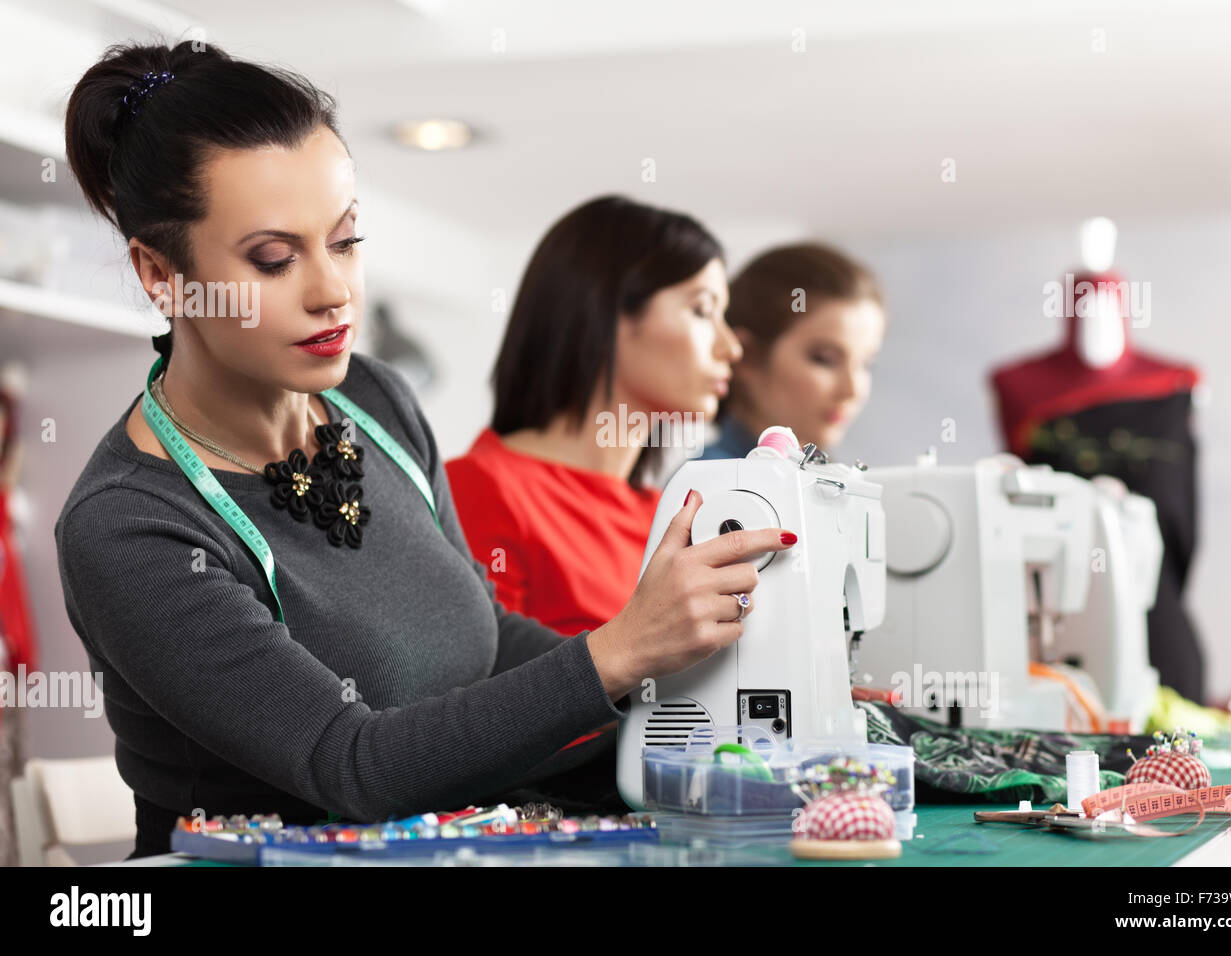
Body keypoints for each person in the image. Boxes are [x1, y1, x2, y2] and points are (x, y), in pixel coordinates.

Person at [53, 41, 793, 858]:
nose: (331, 290)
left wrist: (684, 700)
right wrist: (619, 653)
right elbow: (355, 767)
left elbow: (489, 638)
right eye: (273, 259)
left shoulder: (373, 402)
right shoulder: (130, 525)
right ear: (161, 275)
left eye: (344, 241)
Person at [445, 196, 742, 638]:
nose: (731, 347)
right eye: (702, 310)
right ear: (607, 311)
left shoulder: (665, 515)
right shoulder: (479, 490)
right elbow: (486, 696)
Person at [697, 242, 887, 461]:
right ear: (747, 356)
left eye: (866, 364)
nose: (852, 390)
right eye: (824, 359)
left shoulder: (827, 479)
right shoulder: (713, 485)